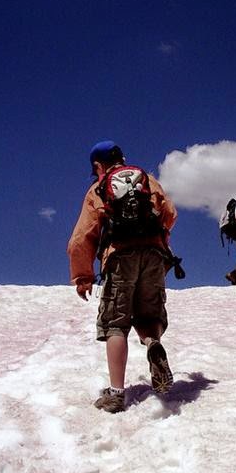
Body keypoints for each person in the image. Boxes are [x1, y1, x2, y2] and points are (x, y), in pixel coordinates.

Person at [67, 140, 178, 414]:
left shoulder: (98, 188)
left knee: (116, 323)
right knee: (148, 316)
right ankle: (153, 344)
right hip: (154, 254)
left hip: (119, 257)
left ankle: (116, 394)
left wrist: (83, 277)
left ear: (98, 165)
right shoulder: (148, 180)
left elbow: (81, 238)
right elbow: (170, 214)